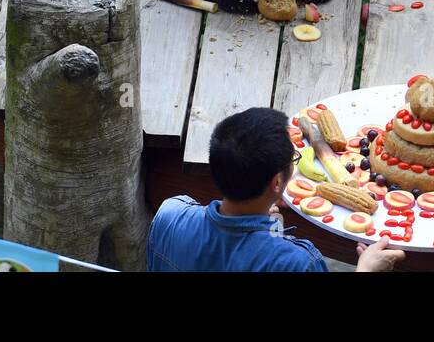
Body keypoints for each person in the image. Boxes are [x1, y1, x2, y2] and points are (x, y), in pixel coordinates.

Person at [147, 106, 404, 272]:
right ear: (277, 182)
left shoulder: (170, 214)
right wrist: (367, 269)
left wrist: (260, 217)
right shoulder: (298, 265)